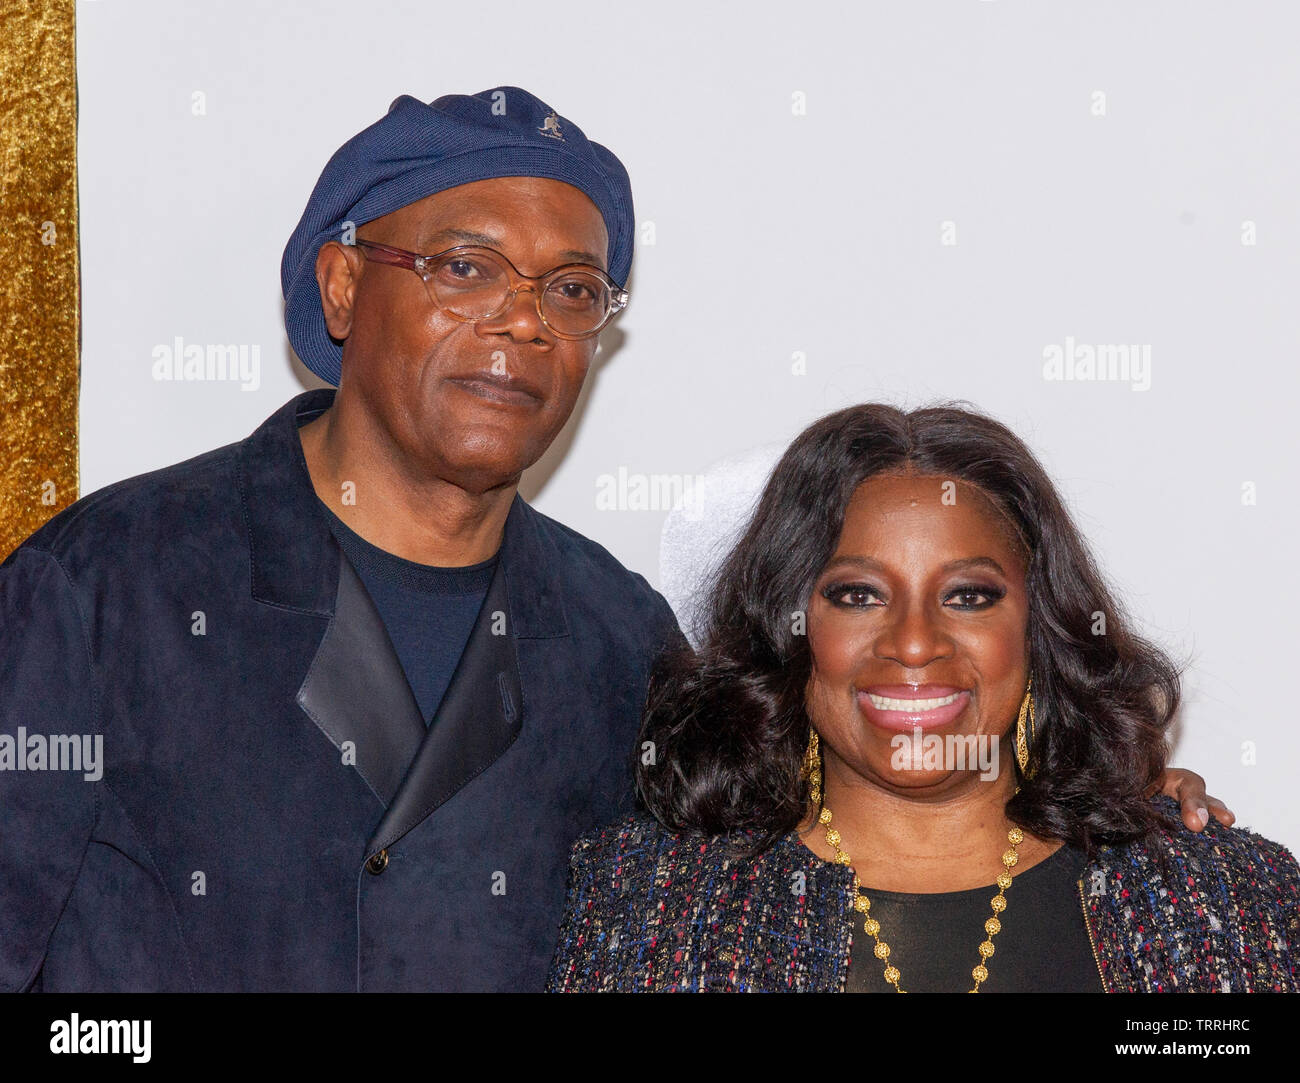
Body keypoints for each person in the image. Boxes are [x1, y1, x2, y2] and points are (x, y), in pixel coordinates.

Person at [0, 87, 682, 992]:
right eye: (468, 267)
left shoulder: (624, 642)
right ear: (344, 286)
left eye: (572, 290)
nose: (527, 322)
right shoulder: (102, 586)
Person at [547, 404, 1297, 993]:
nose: (913, 642)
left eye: (969, 595)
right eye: (858, 594)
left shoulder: (1219, 901)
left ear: (1037, 627)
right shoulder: (656, 904)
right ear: (792, 628)